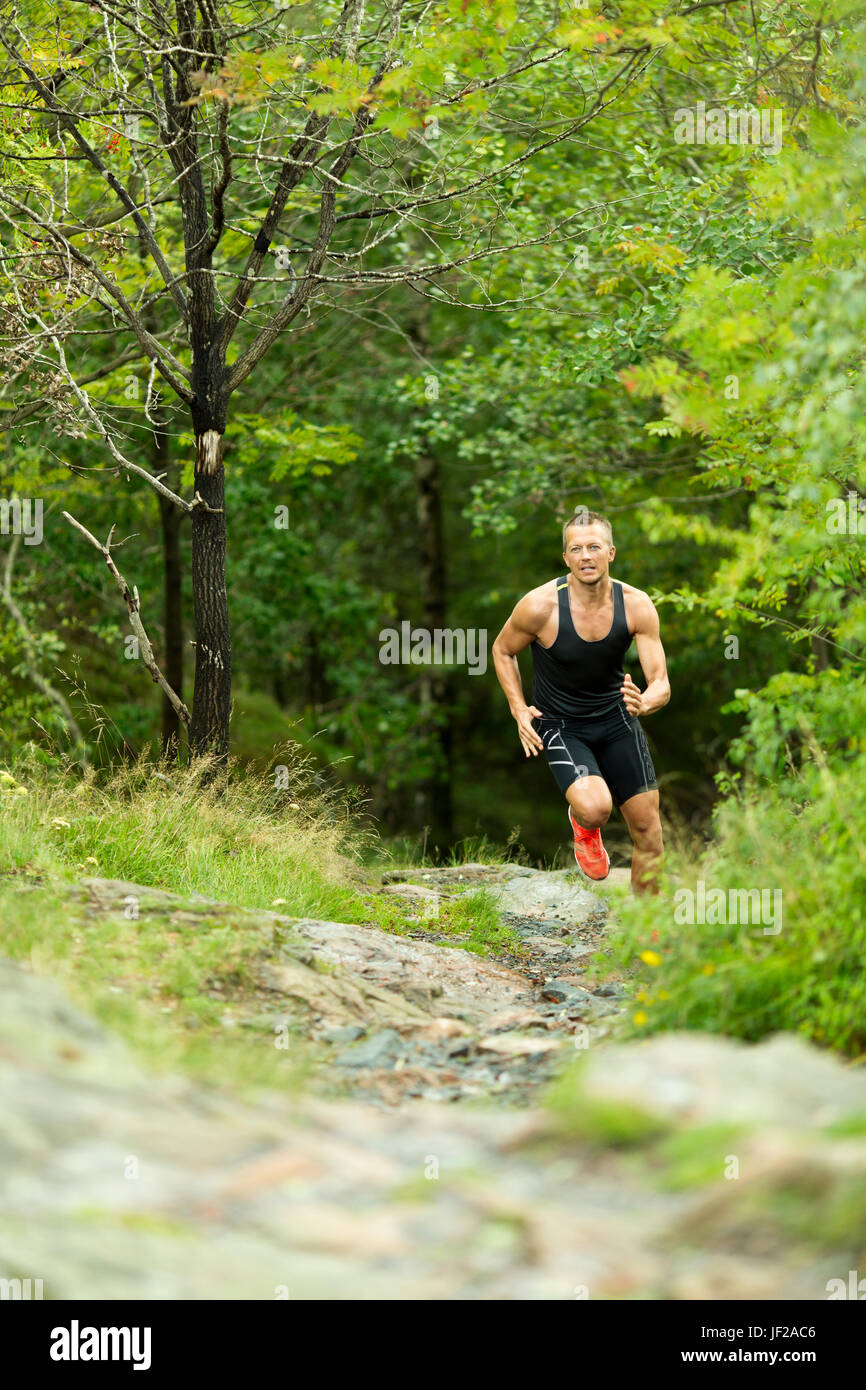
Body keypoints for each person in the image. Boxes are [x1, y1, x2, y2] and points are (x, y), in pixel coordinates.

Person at [492, 508, 670, 892]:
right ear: (565, 558)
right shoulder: (540, 606)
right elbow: (502, 650)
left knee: (649, 832)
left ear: (611, 552)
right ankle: (584, 825)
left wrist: (646, 702)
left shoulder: (636, 604)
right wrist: (518, 708)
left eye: (594, 547)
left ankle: (650, 934)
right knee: (596, 807)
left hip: (617, 721)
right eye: (576, 549)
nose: (585, 556)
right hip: (561, 726)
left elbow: (660, 683)